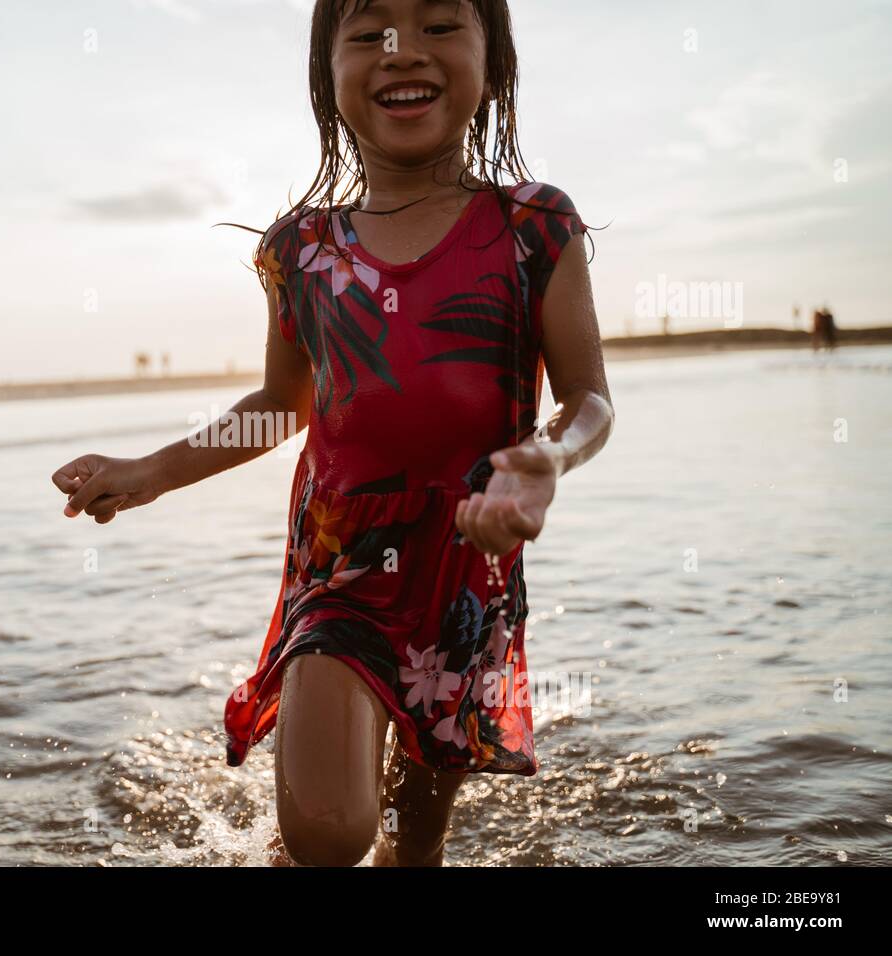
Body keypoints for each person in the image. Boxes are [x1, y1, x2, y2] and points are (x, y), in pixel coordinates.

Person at [51, 0, 614, 867]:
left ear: (494, 60)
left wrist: (549, 455)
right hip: (340, 567)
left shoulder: (533, 229)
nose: (402, 53)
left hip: (465, 580)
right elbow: (286, 405)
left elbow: (589, 399)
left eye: (438, 25)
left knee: (415, 844)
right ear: (328, 76)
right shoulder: (304, 250)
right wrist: (154, 469)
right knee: (326, 829)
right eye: (369, 33)